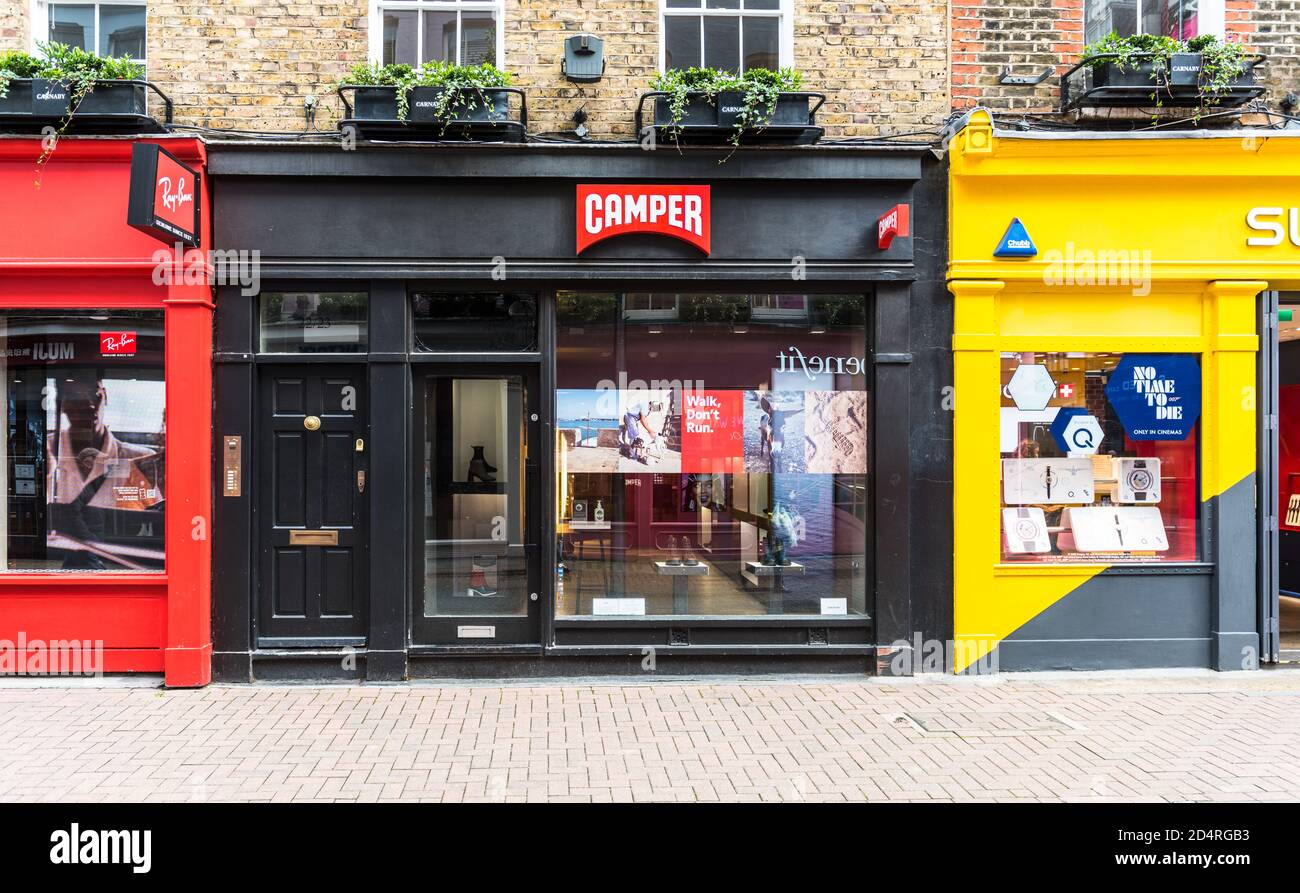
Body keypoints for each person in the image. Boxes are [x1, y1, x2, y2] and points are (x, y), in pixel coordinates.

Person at [45, 371, 163, 568]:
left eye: (95, 395)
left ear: (105, 396)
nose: (89, 405)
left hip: (118, 561)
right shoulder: (46, 451)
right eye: (76, 398)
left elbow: (154, 516)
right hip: (58, 560)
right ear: (62, 404)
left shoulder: (136, 457)